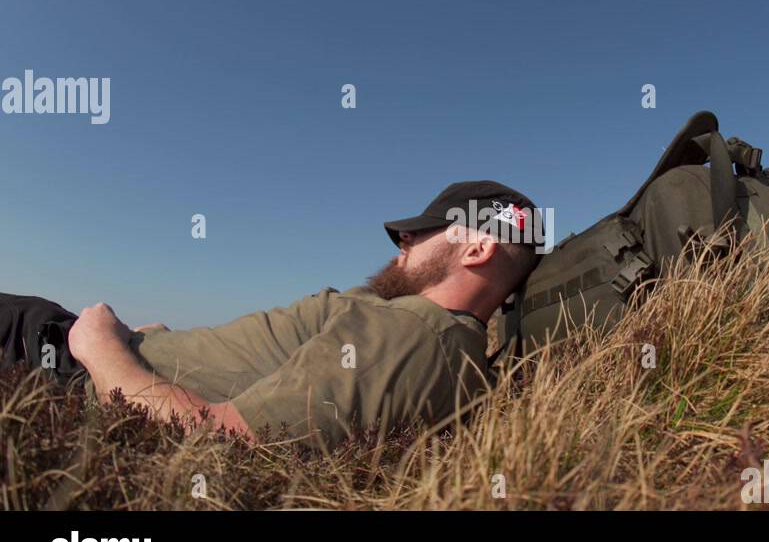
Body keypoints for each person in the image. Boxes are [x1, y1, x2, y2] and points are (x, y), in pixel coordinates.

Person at [0, 181, 542, 448]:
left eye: (420, 232)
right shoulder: (402, 320)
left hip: (58, 372)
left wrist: (101, 346)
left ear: (476, 250)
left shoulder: (418, 336)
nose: (404, 242)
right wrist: (157, 341)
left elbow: (223, 440)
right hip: (74, 349)